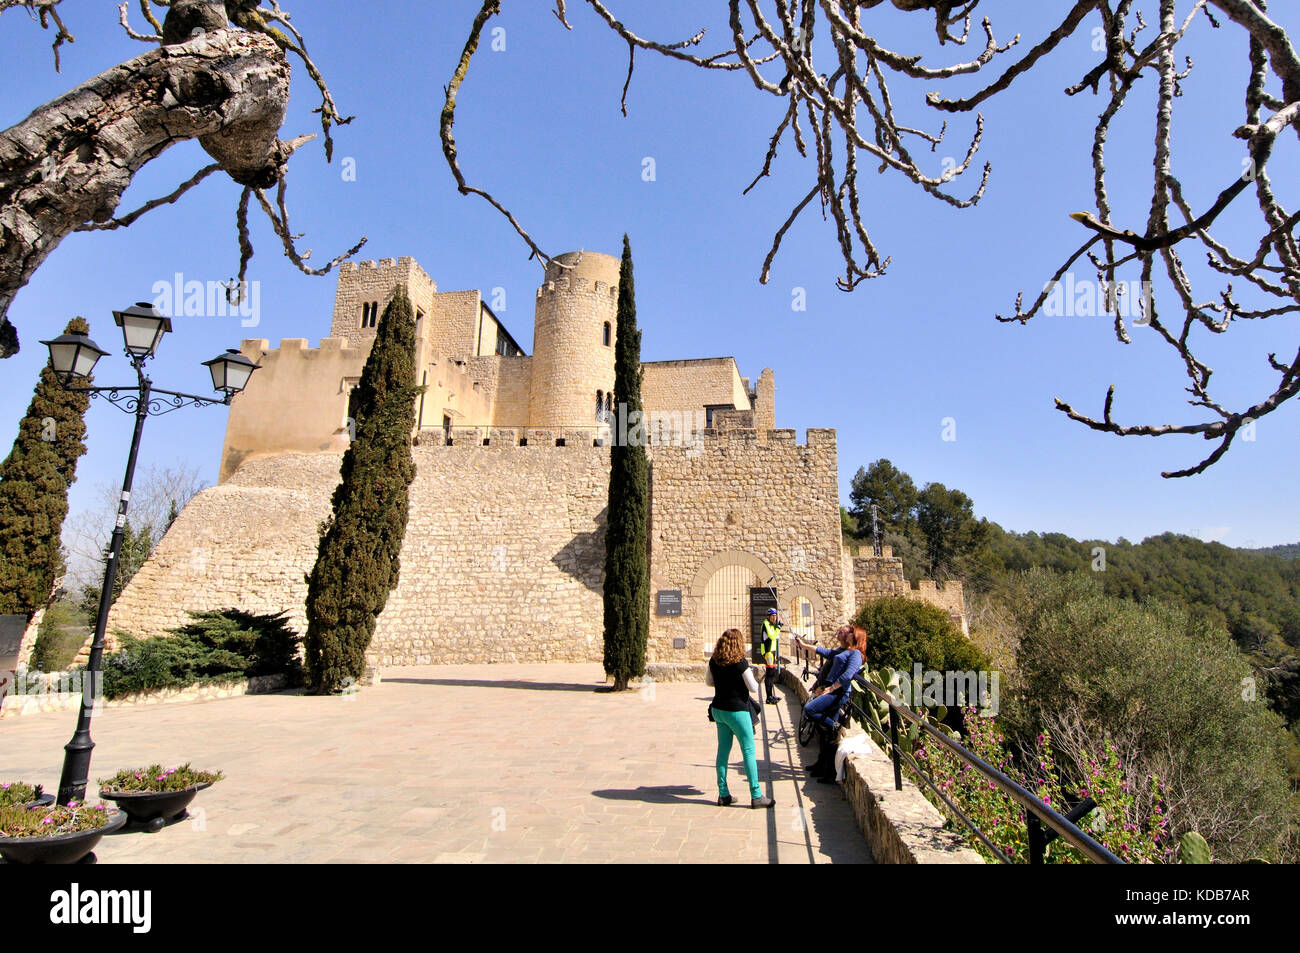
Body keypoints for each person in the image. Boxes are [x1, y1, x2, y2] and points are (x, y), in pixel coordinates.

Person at [707, 628, 776, 809]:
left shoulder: (714, 661)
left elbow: (709, 682)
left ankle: (723, 794)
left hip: (719, 710)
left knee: (723, 751)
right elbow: (753, 687)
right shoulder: (740, 663)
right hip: (737, 711)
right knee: (748, 751)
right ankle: (756, 795)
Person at [797, 625, 866, 783]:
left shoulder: (855, 654)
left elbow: (848, 675)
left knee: (811, 711)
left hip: (837, 693)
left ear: (855, 636)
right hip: (831, 690)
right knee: (825, 733)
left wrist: (831, 688)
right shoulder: (845, 651)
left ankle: (837, 728)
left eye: (849, 632)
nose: (846, 633)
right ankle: (824, 767)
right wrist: (803, 645)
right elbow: (825, 652)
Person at [760, 607, 782, 704]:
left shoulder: (772, 624)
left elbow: (776, 636)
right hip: (768, 651)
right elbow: (772, 636)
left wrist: (777, 627)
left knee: (772, 673)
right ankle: (768, 697)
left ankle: (771, 695)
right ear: (768, 616)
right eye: (772, 616)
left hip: (772, 651)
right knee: (769, 674)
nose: (774, 618)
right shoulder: (766, 623)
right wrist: (778, 628)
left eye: (775, 616)